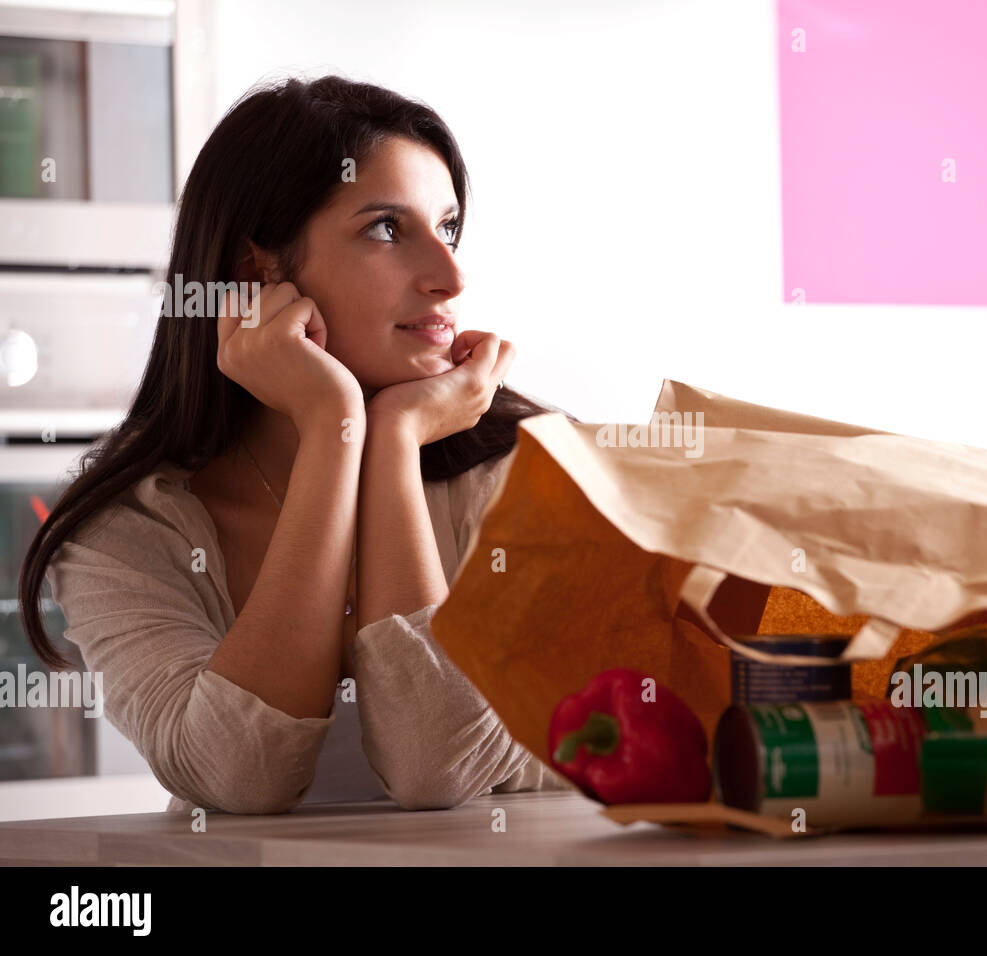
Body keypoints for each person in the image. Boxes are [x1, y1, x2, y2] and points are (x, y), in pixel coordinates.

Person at [18, 75, 577, 814]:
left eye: (447, 227)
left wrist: (393, 440)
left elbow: (434, 764)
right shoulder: (126, 535)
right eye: (386, 228)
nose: (450, 277)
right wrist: (336, 426)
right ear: (260, 270)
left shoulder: (531, 476)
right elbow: (237, 777)